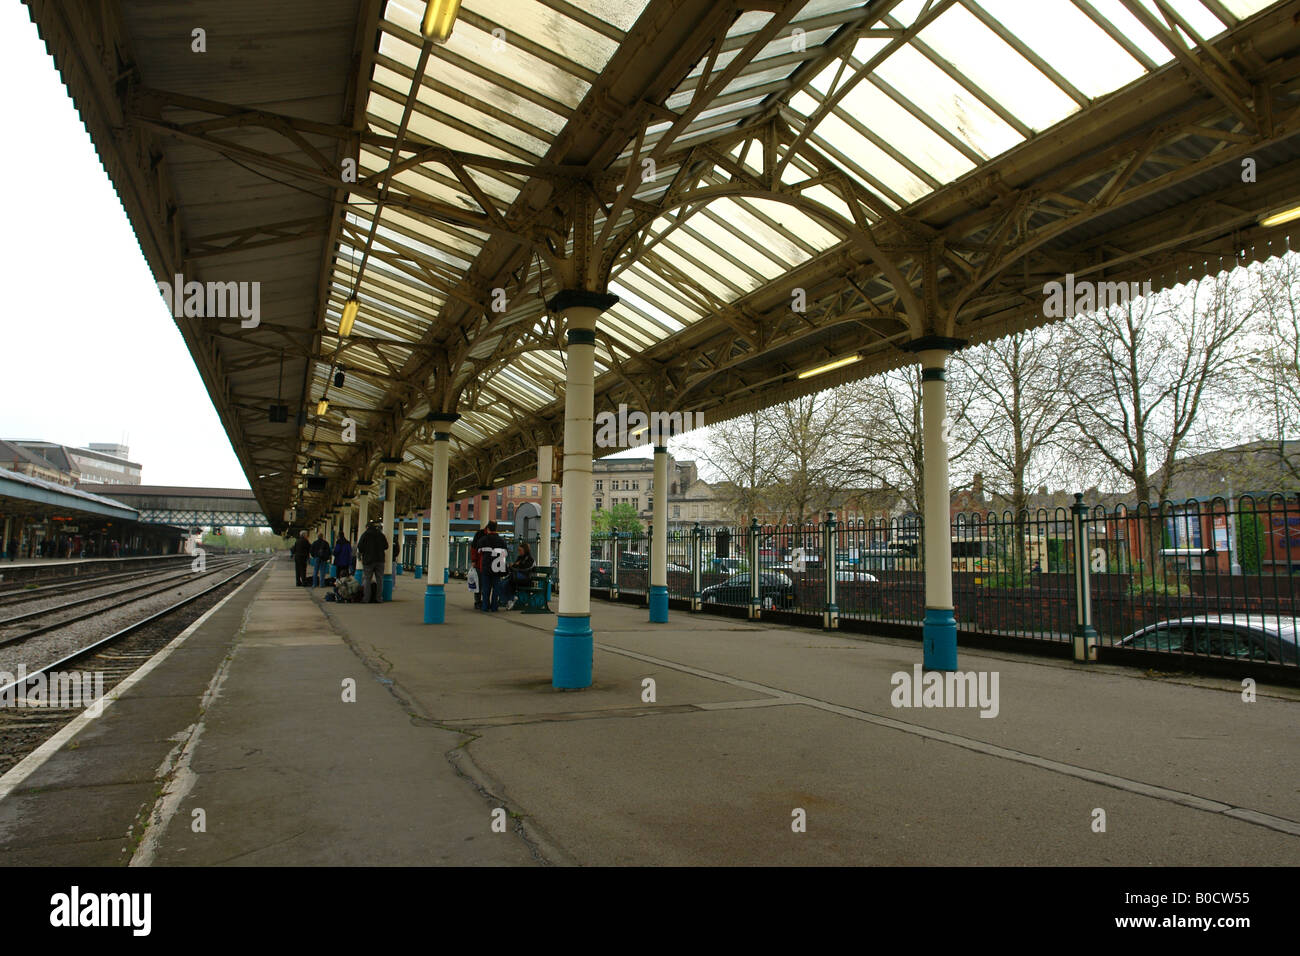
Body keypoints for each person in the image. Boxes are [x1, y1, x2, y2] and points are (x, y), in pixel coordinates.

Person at [476, 521, 509, 613]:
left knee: (486, 589)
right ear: (496, 528)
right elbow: (506, 553)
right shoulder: (502, 541)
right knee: (496, 589)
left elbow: (478, 551)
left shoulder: (483, 540)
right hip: (498, 568)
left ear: (488, 529)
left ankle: (485, 607)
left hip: (486, 567)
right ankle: (494, 607)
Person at [357, 520, 388, 603]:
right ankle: (379, 598)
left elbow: (360, 547)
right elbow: (386, 546)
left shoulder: (365, 534)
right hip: (380, 560)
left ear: (367, 527)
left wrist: (365, 551)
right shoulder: (381, 535)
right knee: (380, 579)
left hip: (368, 560)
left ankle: (366, 598)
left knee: (367, 579)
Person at [504, 541, 535, 609]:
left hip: (526, 579)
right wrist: (514, 565)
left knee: (510, 580)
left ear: (525, 550)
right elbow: (514, 567)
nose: (519, 552)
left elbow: (525, 569)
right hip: (517, 578)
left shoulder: (530, 559)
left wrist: (516, 565)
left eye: (520, 550)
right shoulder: (519, 558)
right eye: (518, 550)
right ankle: (510, 599)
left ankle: (511, 599)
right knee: (503, 583)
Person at [469, 525, 487, 609]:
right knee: (480, 583)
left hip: (481, 564)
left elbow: (473, 548)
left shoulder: (479, 535)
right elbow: (474, 548)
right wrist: (474, 560)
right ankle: (480, 601)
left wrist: (473, 560)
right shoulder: (481, 535)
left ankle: (478, 602)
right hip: (480, 564)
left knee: (478, 583)